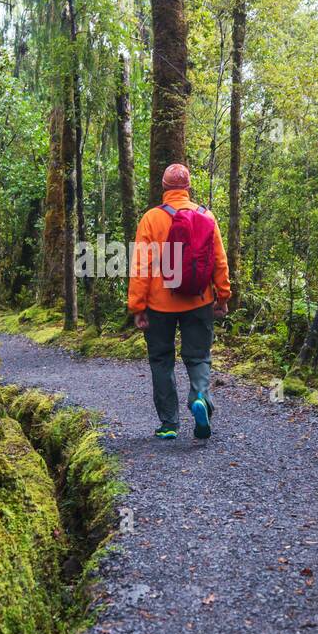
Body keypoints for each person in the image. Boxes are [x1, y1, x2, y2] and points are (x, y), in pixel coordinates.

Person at [128, 163, 231, 439]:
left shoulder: (151, 219)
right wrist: (222, 296)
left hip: (159, 304)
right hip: (198, 300)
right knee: (198, 357)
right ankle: (200, 399)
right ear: (187, 187)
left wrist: (138, 307)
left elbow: (141, 267)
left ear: (164, 187)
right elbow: (219, 261)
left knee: (161, 360)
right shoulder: (206, 215)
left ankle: (169, 424)